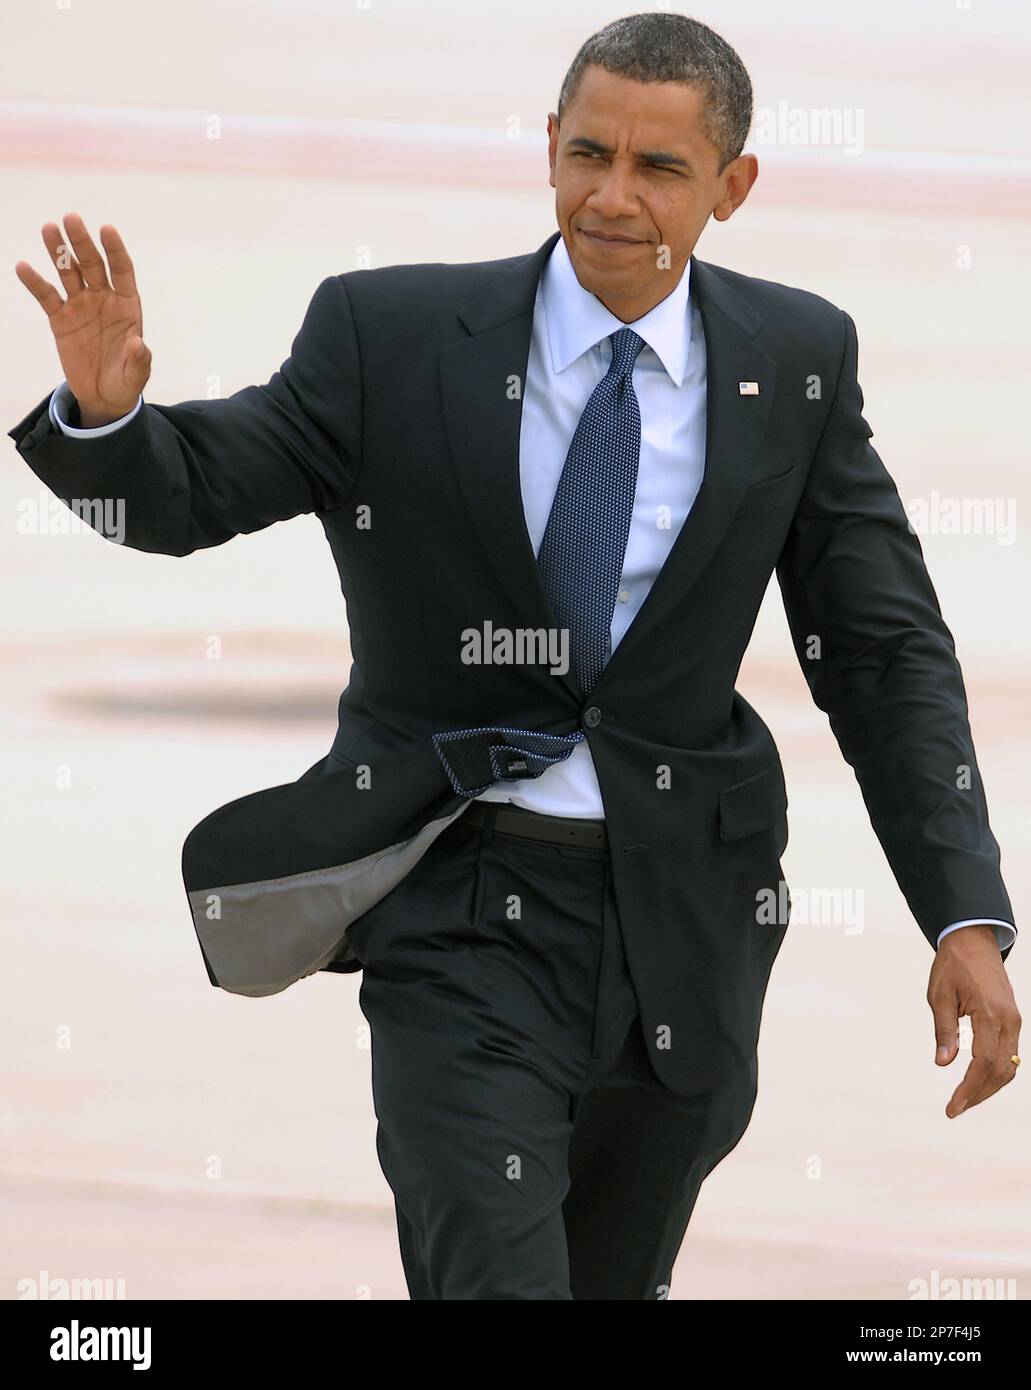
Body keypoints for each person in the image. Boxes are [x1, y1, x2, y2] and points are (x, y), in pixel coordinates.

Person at [10, 12, 1020, 1300]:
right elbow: (192, 494)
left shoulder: (796, 359)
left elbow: (882, 654)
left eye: (660, 170)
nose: (611, 196)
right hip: (461, 908)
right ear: (547, 146)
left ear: (734, 186)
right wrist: (107, 422)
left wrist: (964, 910)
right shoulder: (395, 334)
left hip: (685, 921)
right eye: (587, 153)